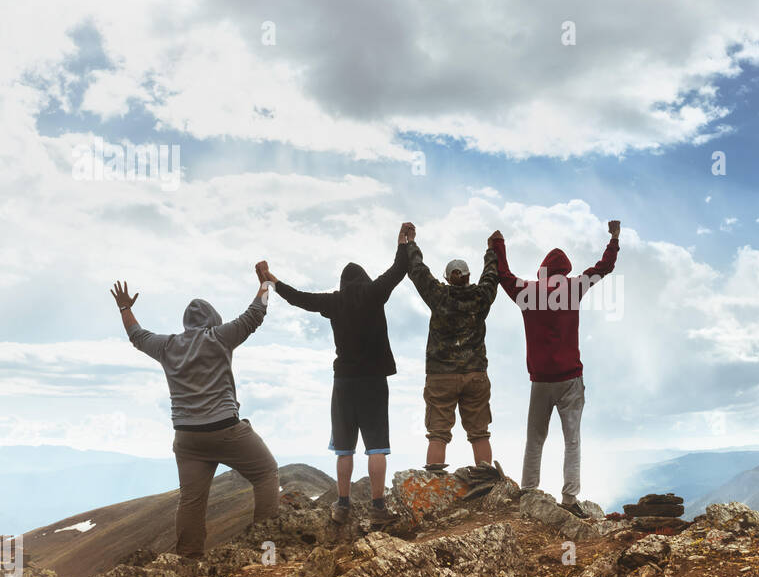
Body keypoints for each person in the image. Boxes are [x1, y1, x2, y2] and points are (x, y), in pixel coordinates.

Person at [111, 273, 279, 559]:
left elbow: (137, 336)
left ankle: (188, 562)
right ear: (213, 319)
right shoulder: (220, 337)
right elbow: (255, 314)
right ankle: (266, 554)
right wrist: (266, 284)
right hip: (226, 431)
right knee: (266, 474)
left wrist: (125, 308)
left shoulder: (167, 346)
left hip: (187, 438)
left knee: (191, 501)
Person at [255, 222, 412, 525]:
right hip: (374, 381)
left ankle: (342, 506)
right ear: (364, 279)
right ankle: (379, 509)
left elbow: (300, 298)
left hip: (344, 384)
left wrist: (273, 282)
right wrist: (403, 242)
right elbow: (398, 269)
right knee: (377, 446)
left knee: (344, 449)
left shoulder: (334, 301)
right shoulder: (374, 293)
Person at [491, 219, 620, 517]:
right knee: (572, 439)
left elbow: (503, 275)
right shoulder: (574, 287)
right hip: (571, 379)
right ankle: (569, 498)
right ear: (565, 270)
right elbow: (604, 267)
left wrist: (498, 246)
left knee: (535, 438)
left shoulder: (527, 292)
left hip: (540, 381)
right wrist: (614, 237)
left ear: (543, 270)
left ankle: (528, 491)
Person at [404, 229, 500, 468]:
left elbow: (418, 272)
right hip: (475, 373)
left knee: (438, 433)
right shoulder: (481, 296)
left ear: (447, 279)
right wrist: (491, 250)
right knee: (479, 433)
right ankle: (486, 482)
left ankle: (435, 484)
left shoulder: (438, 295)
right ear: (468, 277)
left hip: (440, 375)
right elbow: (491, 276)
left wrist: (411, 243)